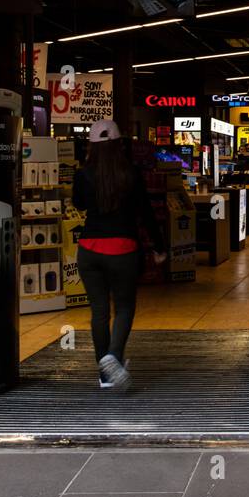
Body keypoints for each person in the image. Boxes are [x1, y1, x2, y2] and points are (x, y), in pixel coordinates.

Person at [72, 119, 167, 392]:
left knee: (98, 312)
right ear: (118, 143)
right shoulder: (131, 173)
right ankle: (113, 356)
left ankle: (104, 375)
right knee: (124, 308)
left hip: (89, 249)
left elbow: (78, 203)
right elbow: (145, 213)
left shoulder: (83, 174)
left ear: (92, 146)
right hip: (122, 250)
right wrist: (159, 247)